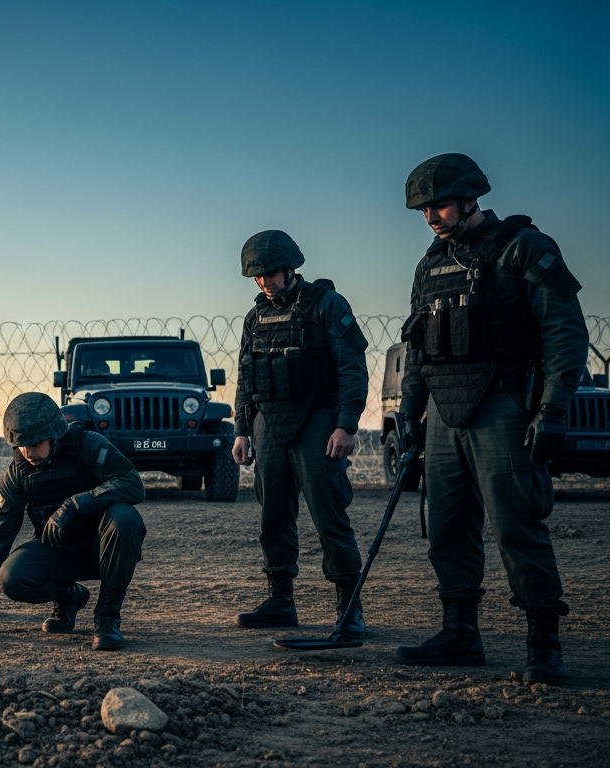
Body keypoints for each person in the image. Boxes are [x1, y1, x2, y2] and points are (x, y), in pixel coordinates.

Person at [394, 153, 587, 685]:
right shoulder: (430, 263)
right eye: (423, 208)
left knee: (515, 526)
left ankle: (543, 643)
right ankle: (460, 633)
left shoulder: (523, 248)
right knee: (446, 529)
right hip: (443, 411)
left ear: (469, 198)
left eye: (439, 204)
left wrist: (552, 408)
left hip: (504, 404)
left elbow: (564, 331)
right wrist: (409, 413)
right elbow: (418, 349)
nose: (431, 215)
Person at [231, 230, 370, 634]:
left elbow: (351, 367)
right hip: (268, 423)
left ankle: (348, 606)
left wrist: (346, 424)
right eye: (257, 277)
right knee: (273, 515)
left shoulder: (327, 305)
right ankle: (280, 602)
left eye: (270, 273)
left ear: (291, 268)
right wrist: (242, 430)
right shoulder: (255, 317)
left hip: (317, 419)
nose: (264, 282)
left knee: (329, 513)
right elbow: (245, 377)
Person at [0, 393, 146, 650]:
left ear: (54, 434)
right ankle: (70, 597)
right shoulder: (18, 474)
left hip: (104, 549)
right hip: (60, 552)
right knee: (11, 576)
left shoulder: (89, 446)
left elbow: (133, 484)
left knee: (125, 518)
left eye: (35, 443)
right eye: (22, 445)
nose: (28, 452)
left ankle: (107, 617)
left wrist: (75, 505)